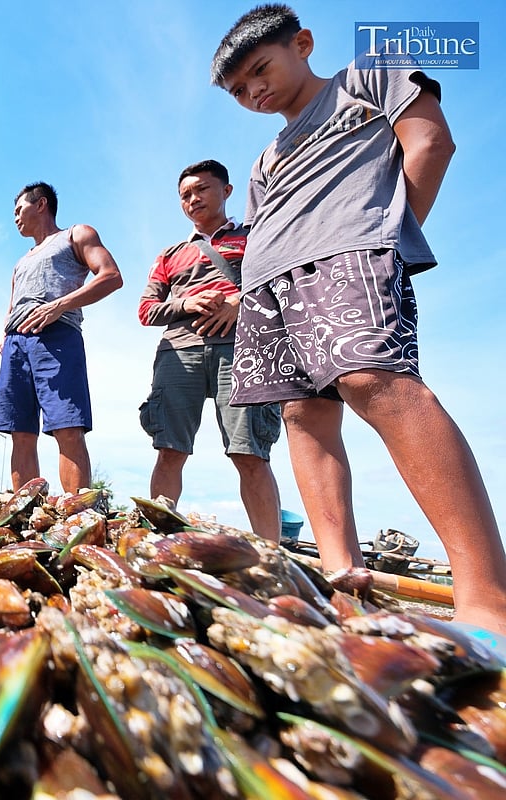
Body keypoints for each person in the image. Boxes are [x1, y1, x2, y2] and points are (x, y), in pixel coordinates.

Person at [212, 4, 506, 643]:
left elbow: (431, 141)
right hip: (269, 282)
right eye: (238, 90)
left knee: (375, 380)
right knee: (302, 415)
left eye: (260, 70)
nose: (253, 91)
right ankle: (341, 579)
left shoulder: (367, 73)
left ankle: (487, 599)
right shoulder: (266, 157)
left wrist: (388, 235)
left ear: (303, 43)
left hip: (351, 253)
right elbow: (260, 227)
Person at [137, 160, 282, 542]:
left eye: (201, 189)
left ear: (227, 191)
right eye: (185, 195)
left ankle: (271, 550)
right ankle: (160, 541)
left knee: (249, 453)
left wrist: (240, 302)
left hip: (241, 351)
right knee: (170, 450)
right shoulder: (169, 254)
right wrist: (186, 303)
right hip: (178, 353)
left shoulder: (255, 237)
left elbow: (282, 282)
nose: (193, 199)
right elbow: (146, 310)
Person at [0, 182, 122, 494]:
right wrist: (5, 336)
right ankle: (25, 512)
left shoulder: (76, 234)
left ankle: (76, 512)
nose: (15, 217)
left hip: (57, 337)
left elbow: (111, 276)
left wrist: (59, 306)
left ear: (41, 204)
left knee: (67, 427)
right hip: (16, 346)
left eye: (19, 209)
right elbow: (12, 306)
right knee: (20, 432)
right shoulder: (21, 262)